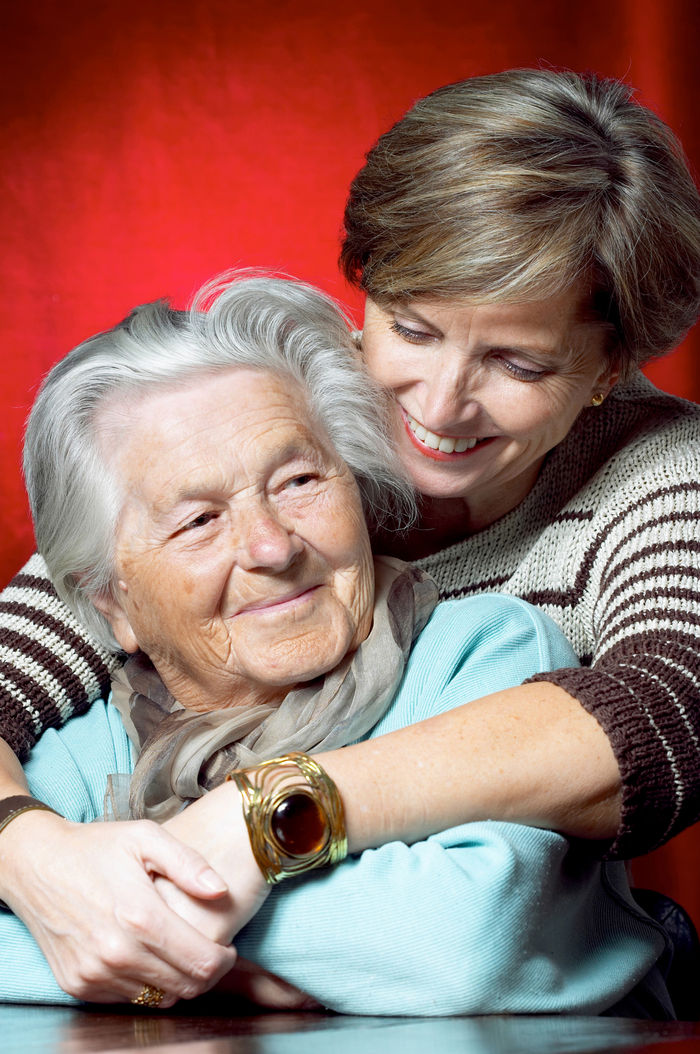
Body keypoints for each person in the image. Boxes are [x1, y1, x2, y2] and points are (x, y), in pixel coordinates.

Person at [0, 68, 698, 1001]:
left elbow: (666, 713)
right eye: (411, 328)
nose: (439, 407)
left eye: (517, 361)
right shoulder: (277, 416)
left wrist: (258, 823)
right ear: (364, 290)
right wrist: (31, 853)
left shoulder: (652, 479)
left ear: (610, 361)